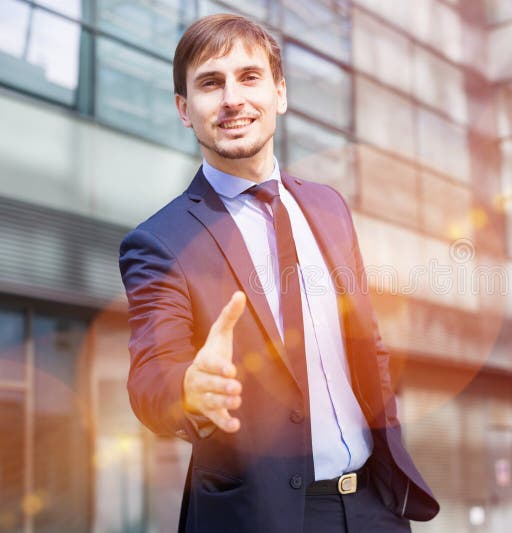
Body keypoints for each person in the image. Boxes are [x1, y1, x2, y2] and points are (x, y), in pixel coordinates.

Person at [118, 13, 438, 533]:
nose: (232, 99)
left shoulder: (330, 207)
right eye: (210, 83)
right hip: (258, 516)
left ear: (280, 93)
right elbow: (152, 373)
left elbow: (366, 344)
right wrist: (188, 390)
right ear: (184, 109)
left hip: (373, 505)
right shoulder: (160, 242)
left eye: (249, 77)